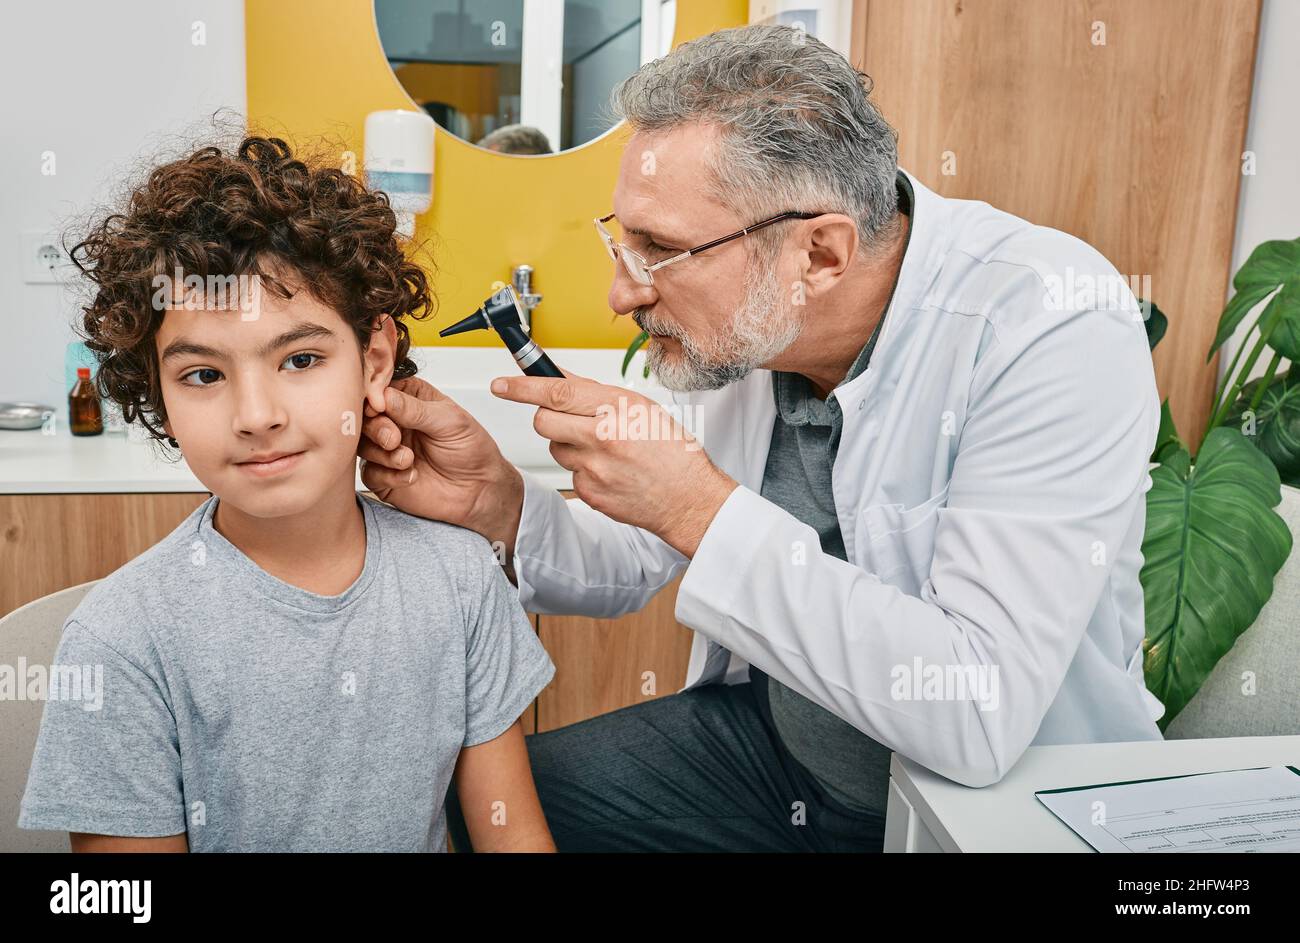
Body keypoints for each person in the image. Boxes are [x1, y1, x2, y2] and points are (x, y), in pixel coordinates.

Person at [358, 24, 1165, 852]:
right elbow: (641, 555)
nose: (619, 296)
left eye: (660, 251)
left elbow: (974, 710)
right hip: (776, 754)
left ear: (819, 253)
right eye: (624, 240)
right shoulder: (758, 326)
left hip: (982, 802)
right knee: (479, 807)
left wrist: (699, 508)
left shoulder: (1049, 323)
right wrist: (497, 507)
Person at [19, 135, 556, 852]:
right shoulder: (124, 641)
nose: (256, 414)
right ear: (157, 393)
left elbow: (512, 836)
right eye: (203, 375)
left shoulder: (460, 583)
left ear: (373, 360)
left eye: (300, 359)